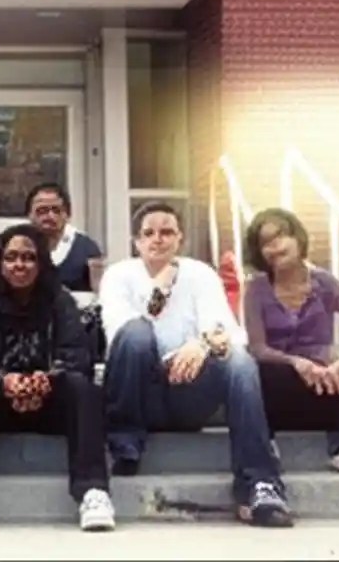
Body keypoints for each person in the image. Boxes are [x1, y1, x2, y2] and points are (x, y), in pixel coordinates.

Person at [99, 201, 293, 528]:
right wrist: (177, 347)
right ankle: (126, 446)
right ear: (136, 241)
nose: (157, 240)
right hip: (138, 395)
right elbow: (122, 336)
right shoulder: (119, 275)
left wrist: (201, 344)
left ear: (180, 239)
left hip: (187, 394)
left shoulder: (200, 273)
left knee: (240, 363)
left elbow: (229, 333)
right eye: (149, 233)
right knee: (137, 333)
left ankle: (259, 484)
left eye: (167, 232)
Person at [0, 224, 114, 533]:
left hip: (45, 399)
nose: (19, 265)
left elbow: (77, 354)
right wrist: (3, 381)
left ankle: (93, 492)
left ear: (42, 262)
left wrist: (47, 379)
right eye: (11, 257)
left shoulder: (59, 299)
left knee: (83, 389)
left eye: (29, 258)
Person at [242, 208, 339, 474]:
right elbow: (258, 347)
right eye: (264, 242)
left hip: (324, 387)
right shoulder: (256, 290)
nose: (274, 246)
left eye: (280, 236)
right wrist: (296, 362)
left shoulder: (325, 283)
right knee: (257, 371)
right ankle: (264, 447)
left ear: (298, 238)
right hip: (282, 392)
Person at [25, 182, 106, 296]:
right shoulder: (19, 245)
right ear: (29, 214)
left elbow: (99, 294)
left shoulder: (87, 249)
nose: (50, 216)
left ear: (67, 214)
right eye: (42, 210)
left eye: (56, 210)